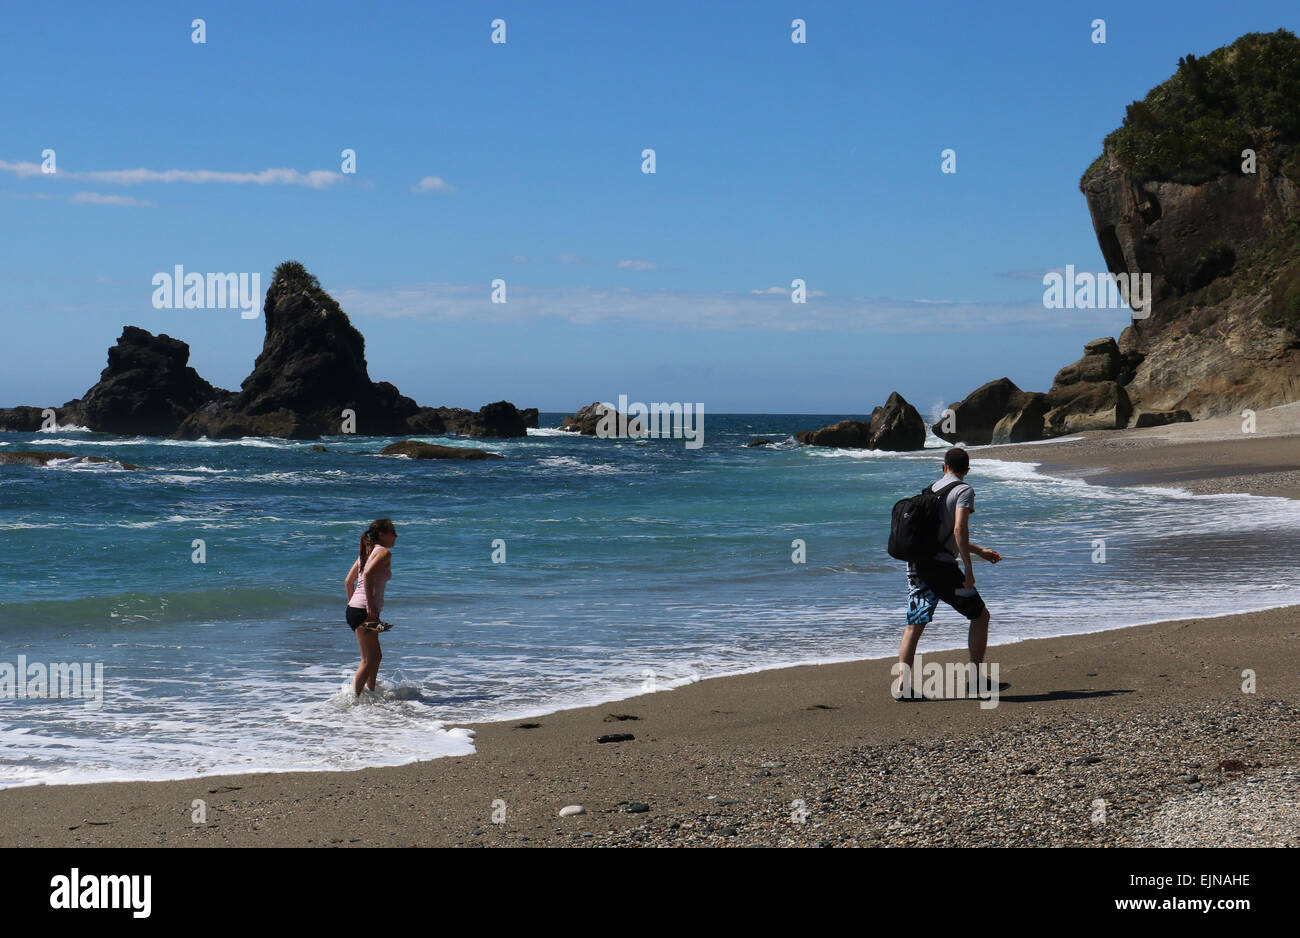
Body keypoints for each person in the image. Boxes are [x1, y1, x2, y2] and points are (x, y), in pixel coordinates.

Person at [897, 448, 1001, 699]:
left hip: (917, 565)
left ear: (944, 467)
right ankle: (976, 680)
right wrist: (969, 567)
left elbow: (941, 535)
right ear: (967, 469)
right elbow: (958, 529)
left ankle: (902, 686)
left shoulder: (931, 490)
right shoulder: (964, 491)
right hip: (942, 568)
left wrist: (979, 551)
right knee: (980, 615)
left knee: (914, 624)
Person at [345, 518, 397, 697]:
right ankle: (354, 702)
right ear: (382, 535)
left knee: (375, 657)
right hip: (364, 612)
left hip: (356, 610)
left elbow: (348, 582)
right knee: (368, 660)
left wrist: (354, 606)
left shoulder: (367, 553)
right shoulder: (383, 553)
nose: (396, 536)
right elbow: (366, 576)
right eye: (393, 532)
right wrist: (369, 607)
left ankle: (371, 694)